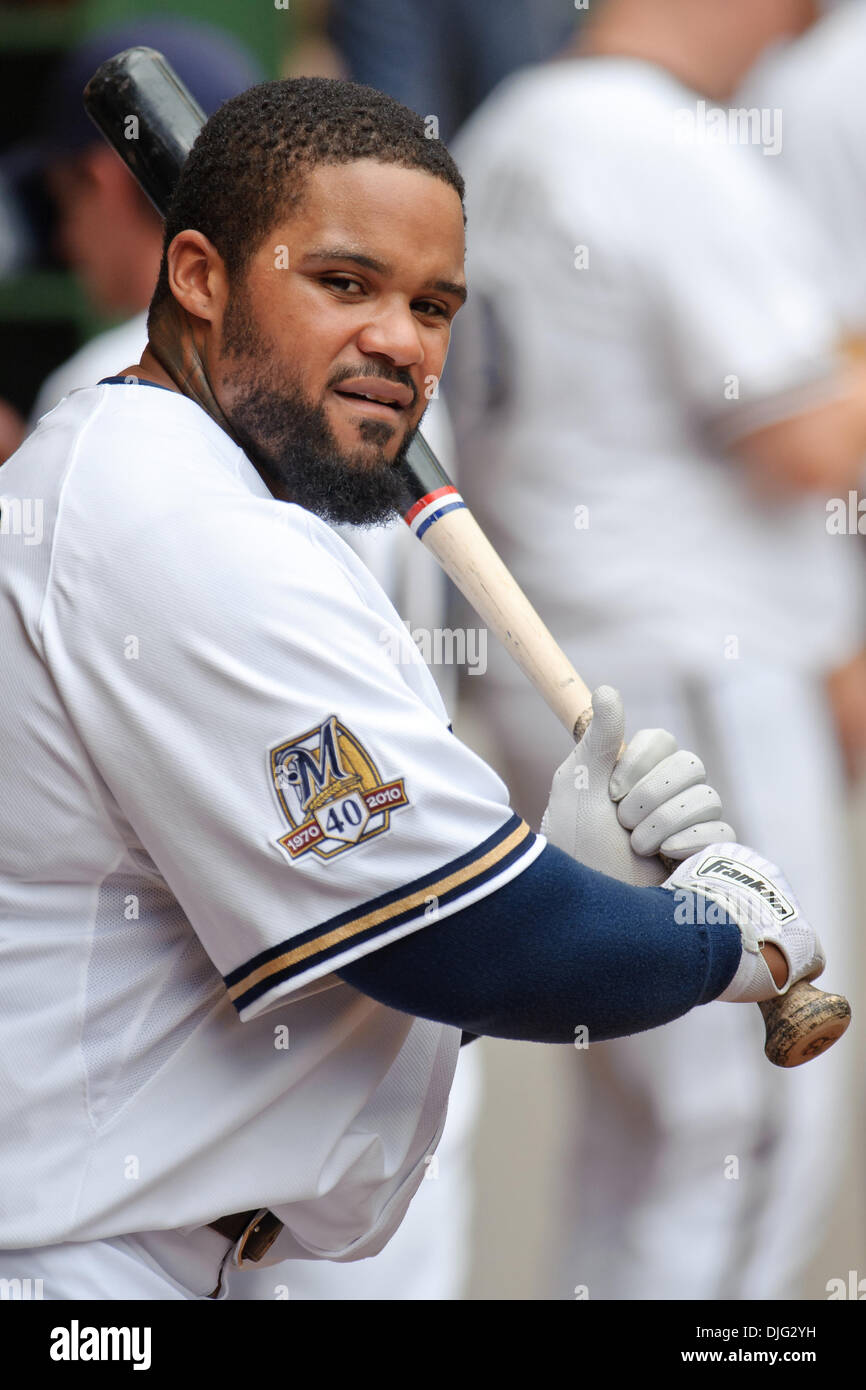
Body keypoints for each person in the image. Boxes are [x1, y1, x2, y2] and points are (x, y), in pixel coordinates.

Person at [0, 75, 816, 1301]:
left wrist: (547, 867)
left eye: (433, 304)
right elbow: (471, 947)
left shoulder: (222, 504)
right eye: (344, 283)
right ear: (201, 278)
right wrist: (722, 938)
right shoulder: (169, 523)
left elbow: (379, 950)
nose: (400, 338)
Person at [446, 0, 863, 1298]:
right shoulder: (644, 141)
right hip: (684, 680)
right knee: (741, 1123)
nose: (797, 28)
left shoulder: (517, 123)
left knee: (650, 1134)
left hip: (580, 675)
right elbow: (808, 438)